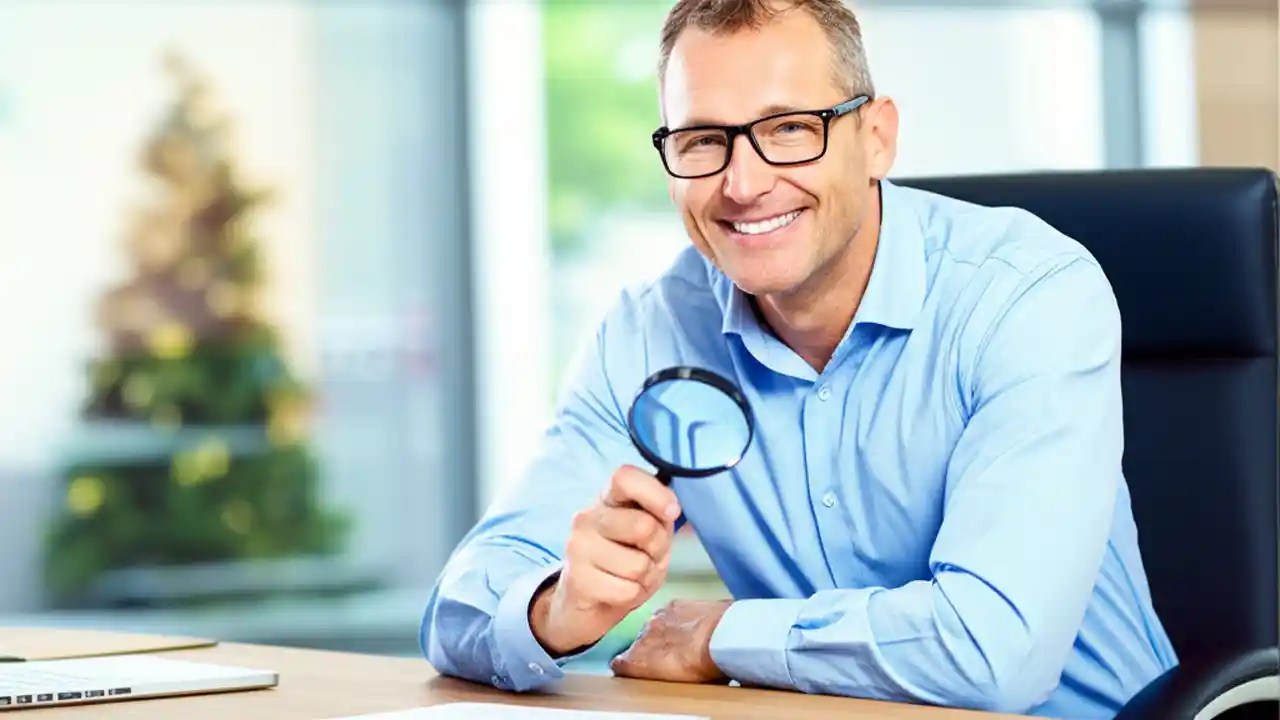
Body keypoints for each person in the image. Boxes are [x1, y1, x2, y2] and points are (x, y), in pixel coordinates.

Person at [420, 0, 1178, 716]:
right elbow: (460, 607)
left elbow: (994, 653)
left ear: (877, 138)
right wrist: (554, 609)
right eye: (702, 141)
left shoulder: (1027, 296)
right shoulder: (649, 334)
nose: (743, 185)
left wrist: (722, 637)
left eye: (788, 128)